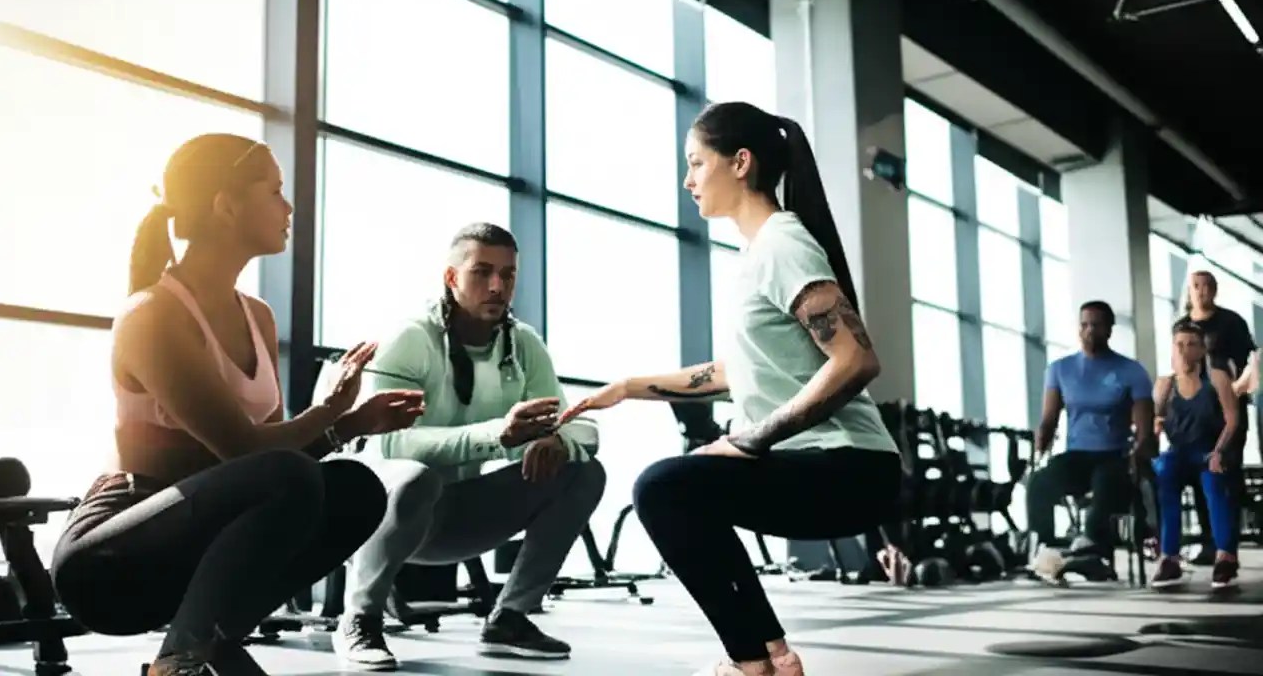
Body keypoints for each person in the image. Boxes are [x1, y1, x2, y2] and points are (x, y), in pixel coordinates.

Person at [48, 134, 425, 676]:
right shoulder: (153, 314)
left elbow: (271, 466)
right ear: (225, 205)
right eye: (273, 190)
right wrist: (329, 416)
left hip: (199, 549)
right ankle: (181, 660)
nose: (288, 206)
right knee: (287, 475)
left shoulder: (258, 317)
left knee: (356, 489)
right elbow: (243, 451)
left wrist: (356, 423)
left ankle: (215, 637)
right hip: (114, 561)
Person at [559, 102, 902, 676]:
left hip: (850, 466)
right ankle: (770, 657)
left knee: (664, 488)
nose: (687, 179)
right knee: (686, 490)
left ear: (740, 163)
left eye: (696, 163)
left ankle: (750, 663)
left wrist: (749, 441)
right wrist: (627, 387)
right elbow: (730, 372)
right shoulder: (759, 252)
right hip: (829, 465)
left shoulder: (781, 244)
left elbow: (856, 360)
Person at [320, 223, 605, 671]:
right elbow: (391, 444)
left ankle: (510, 618)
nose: (497, 286)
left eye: (508, 275)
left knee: (584, 471)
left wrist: (554, 439)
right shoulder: (410, 338)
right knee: (416, 476)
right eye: (482, 272)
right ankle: (359, 618)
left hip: (454, 520)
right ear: (452, 278)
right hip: (383, 517)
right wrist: (499, 435)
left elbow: (581, 427)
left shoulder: (524, 344)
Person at [1027, 301, 1154, 568]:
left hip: (1115, 454)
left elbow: (1145, 426)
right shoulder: (1060, 369)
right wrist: (1039, 451)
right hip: (1077, 456)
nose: (1089, 331)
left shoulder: (1131, 371)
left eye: (1096, 325)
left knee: (1105, 481)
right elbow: (1049, 420)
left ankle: (1092, 547)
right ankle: (1045, 549)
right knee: (1039, 482)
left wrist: (1140, 453)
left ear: (1109, 329)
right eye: (1084, 325)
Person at [1148, 322, 1239, 589]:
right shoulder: (1165, 384)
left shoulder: (1217, 378)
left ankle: (1225, 557)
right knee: (1164, 472)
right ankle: (1170, 558)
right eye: (1180, 345)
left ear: (1201, 350)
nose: (1186, 350)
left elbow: (1232, 420)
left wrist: (1219, 452)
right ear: (1173, 348)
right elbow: (1157, 421)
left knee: (1213, 482)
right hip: (1179, 454)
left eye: (1192, 345)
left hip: (1209, 451)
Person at [1173, 270, 1255, 563]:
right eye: (1196, 286)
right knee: (1199, 471)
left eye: (1207, 286)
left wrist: (1238, 388)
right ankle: (1210, 540)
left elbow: (1251, 362)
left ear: (1215, 290)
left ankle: (1227, 543)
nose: (1202, 291)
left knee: (1225, 471)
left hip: (1228, 407)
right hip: (1196, 410)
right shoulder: (1181, 326)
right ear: (1189, 291)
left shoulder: (1231, 323)